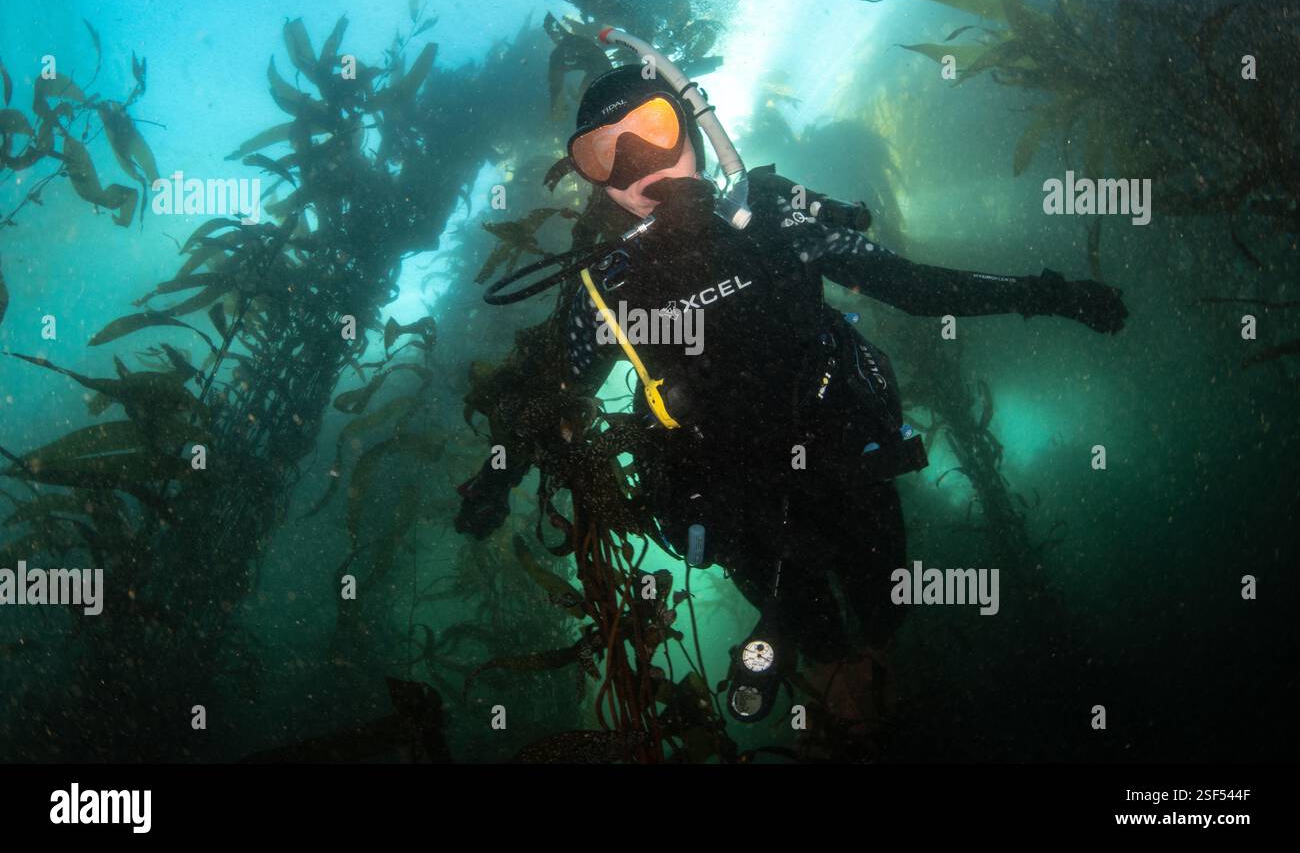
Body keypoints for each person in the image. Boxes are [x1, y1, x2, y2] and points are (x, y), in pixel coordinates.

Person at [456, 64, 1128, 753]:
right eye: (604, 155)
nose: (636, 166)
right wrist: (497, 476)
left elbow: (913, 286)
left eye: (653, 131)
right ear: (593, 181)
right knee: (827, 661)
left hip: (847, 463)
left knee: (884, 628)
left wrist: (1047, 294)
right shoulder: (607, 289)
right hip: (737, 507)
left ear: (692, 125)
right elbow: (559, 400)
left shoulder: (778, 220)